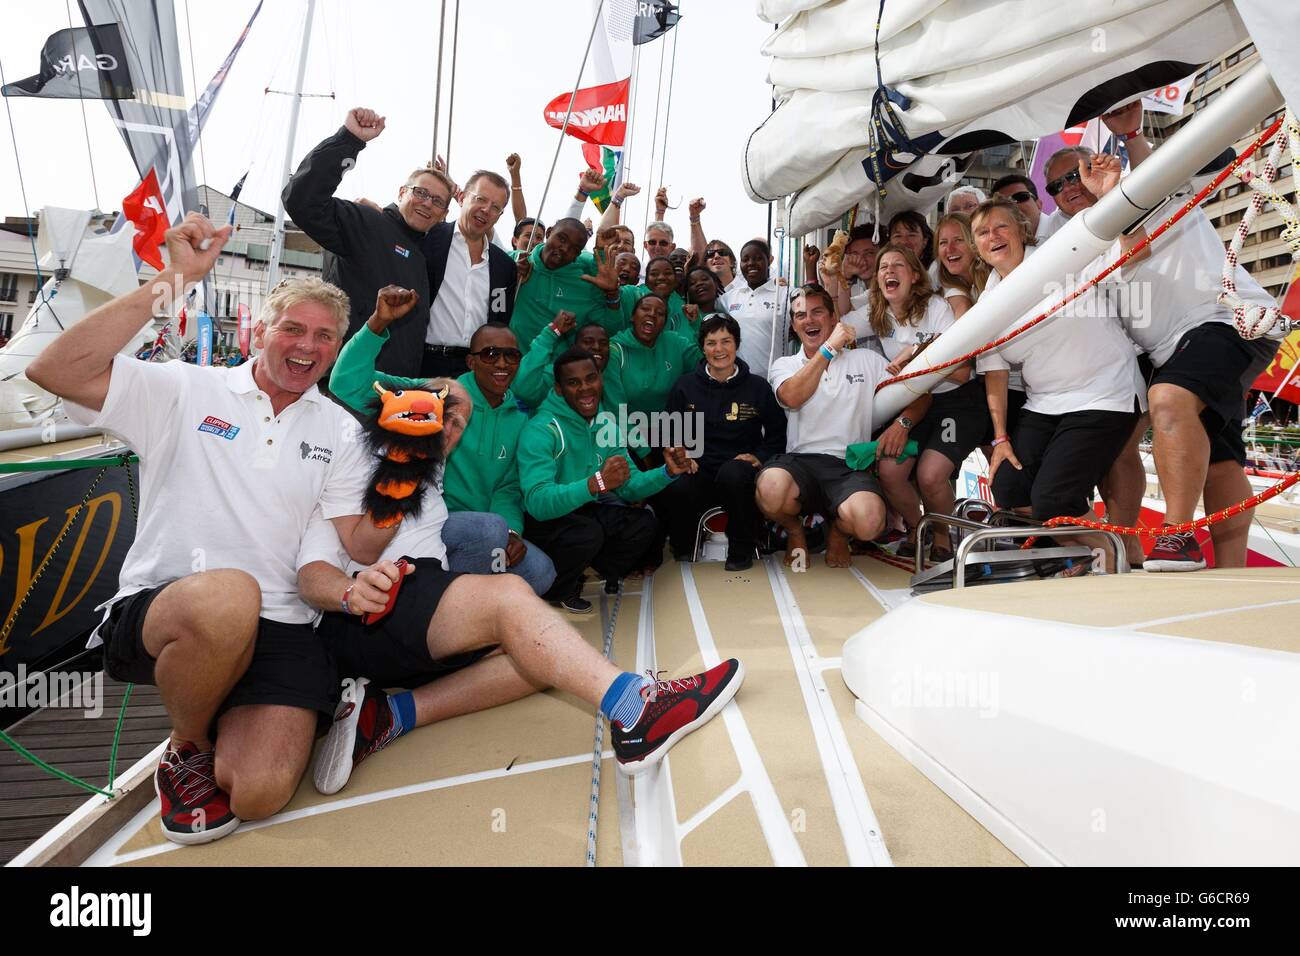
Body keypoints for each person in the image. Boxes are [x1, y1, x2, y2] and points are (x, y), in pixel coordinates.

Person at [26, 215, 397, 845]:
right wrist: (176, 279)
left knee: (257, 793)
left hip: (282, 623)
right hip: (173, 608)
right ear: (259, 330)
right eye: (293, 328)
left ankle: (223, 699)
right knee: (231, 595)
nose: (306, 346)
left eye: (324, 337)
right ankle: (186, 744)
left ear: (337, 351)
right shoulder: (184, 388)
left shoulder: (340, 432)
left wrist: (407, 475)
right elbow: (54, 370)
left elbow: (353, 546)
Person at [1091, 101, 1281, 569]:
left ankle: (1178, 535)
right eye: (1059, 184)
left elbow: (1167, 176)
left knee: (1169, 399)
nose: (1072, 186)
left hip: (1225, 317)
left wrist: (1131, 135)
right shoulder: (1080, 255)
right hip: (1176, 345)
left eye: (1075, 175)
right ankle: (1232, 571)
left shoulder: (1148, 194)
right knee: (1219, 454)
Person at [328, 296, 558, 595]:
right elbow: (345, 383)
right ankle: (455, 611)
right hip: (422, 523)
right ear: (471, 361)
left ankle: (476, 600)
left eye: (511, 355)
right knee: (487, 532)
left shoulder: (520, 419)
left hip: (480, 531)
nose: (501, 363)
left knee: (541, 573)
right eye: (489, 354)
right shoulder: (436, 395)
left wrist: (512, 531)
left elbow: (508, 488)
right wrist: (378, 323)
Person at [973, 184, 1146, 569]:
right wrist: (1000, 438)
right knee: (1009, 486)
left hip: (1105, 393)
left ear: (1022, 230)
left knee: (1055, 500)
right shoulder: (987, 304)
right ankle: (1079, 551)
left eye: (1001, 227)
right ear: (977, 248)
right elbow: (996, 374)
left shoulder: (1060, 258)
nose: (993, 237)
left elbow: (1136, 250)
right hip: (1047, 403)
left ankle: (1113, 561)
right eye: (983, 233)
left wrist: (1116, 197)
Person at [517, 347, 697, 613]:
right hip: (542, 520)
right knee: (588, 533)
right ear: (558, 389)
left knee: (644, 523)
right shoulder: (541, 430)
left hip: (582, 508)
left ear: (601, 379)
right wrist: (596, 484)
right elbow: (537, 503)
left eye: (591, 378)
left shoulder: (606, 425)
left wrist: (666, 472)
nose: (585, 388)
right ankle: (557, 589)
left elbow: (631, 486)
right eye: (573, 382)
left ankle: (577, 569)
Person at [757, 284, 925, 568]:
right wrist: (828, 349)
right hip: (799, 463)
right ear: (793, 325)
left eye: (817, 312)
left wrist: (903, 423)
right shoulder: (784, 364)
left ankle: (839, 531)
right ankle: (796, 531)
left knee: (870, 522)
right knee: (770, 489)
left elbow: (921, 393)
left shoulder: (866, 360)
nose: (808, 320)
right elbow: (792, 397)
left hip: (848, 466)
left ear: (834, 318)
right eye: (800, 315)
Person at [283, 106, 454, 375]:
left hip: (393, 395)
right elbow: (303, 200)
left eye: (437, 201)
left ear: (443, 214)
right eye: (420, 193)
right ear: (401, 192)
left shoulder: (427, 252)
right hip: (346, 387)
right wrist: (349, 139)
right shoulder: (365, 222)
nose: (426, 204)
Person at [869, 244, 988, 561]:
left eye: (898, 265)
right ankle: (916, 528)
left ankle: (942, 537)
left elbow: (961, 370)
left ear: (914, 275)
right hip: (919, 403)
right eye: (883, 267)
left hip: (957, 401)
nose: (889, 271)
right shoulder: (880, 315)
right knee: (890, 472)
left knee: (931, 475)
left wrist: (911, 357)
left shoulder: (935, 306)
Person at [659, 315, 787, 570]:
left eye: (726, 341)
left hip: (739, 469)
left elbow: (778, 434)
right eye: (711, 342)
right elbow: (668, 432)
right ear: (702, 347)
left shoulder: (758, 387)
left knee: (734, 474)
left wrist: (759, 456)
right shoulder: (684, 387)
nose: (719, 350)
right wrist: (679, 454)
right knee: (676, 484)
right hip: (699, 468)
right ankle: (683, 546)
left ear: (737, 344)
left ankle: (742, 550)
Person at [420, 170, 519, 379]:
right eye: (480, 199)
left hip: (475, 370)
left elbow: (500, 319)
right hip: (423, 362)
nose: (486, 210)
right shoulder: (427, 239)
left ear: (500, 215)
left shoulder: (505, 266)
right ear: (463, 197)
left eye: (495, 207)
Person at [509, 218, 621, 351]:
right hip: (506, 364)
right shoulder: (516, 261)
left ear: (577, 255)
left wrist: (612, 294)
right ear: (549, 233)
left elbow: (609, 330)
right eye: (562, 239)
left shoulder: (585, 284)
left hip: (554, 369)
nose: (565, 248)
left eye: (574, 248)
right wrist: (509, 276)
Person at [721, 238, 784, 380]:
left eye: (758, 258)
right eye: (745, 259)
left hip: (775, 380)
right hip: (739, 380)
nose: (751, 263)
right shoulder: (729, 297)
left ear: (769, 261)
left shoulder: (785, 294)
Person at [991, 173, 1050, 243]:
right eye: (1004, 204)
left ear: (1038, 204)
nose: (1013, 206)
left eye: (1020, 197)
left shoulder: (1061, 229)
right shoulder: (1002, 247)